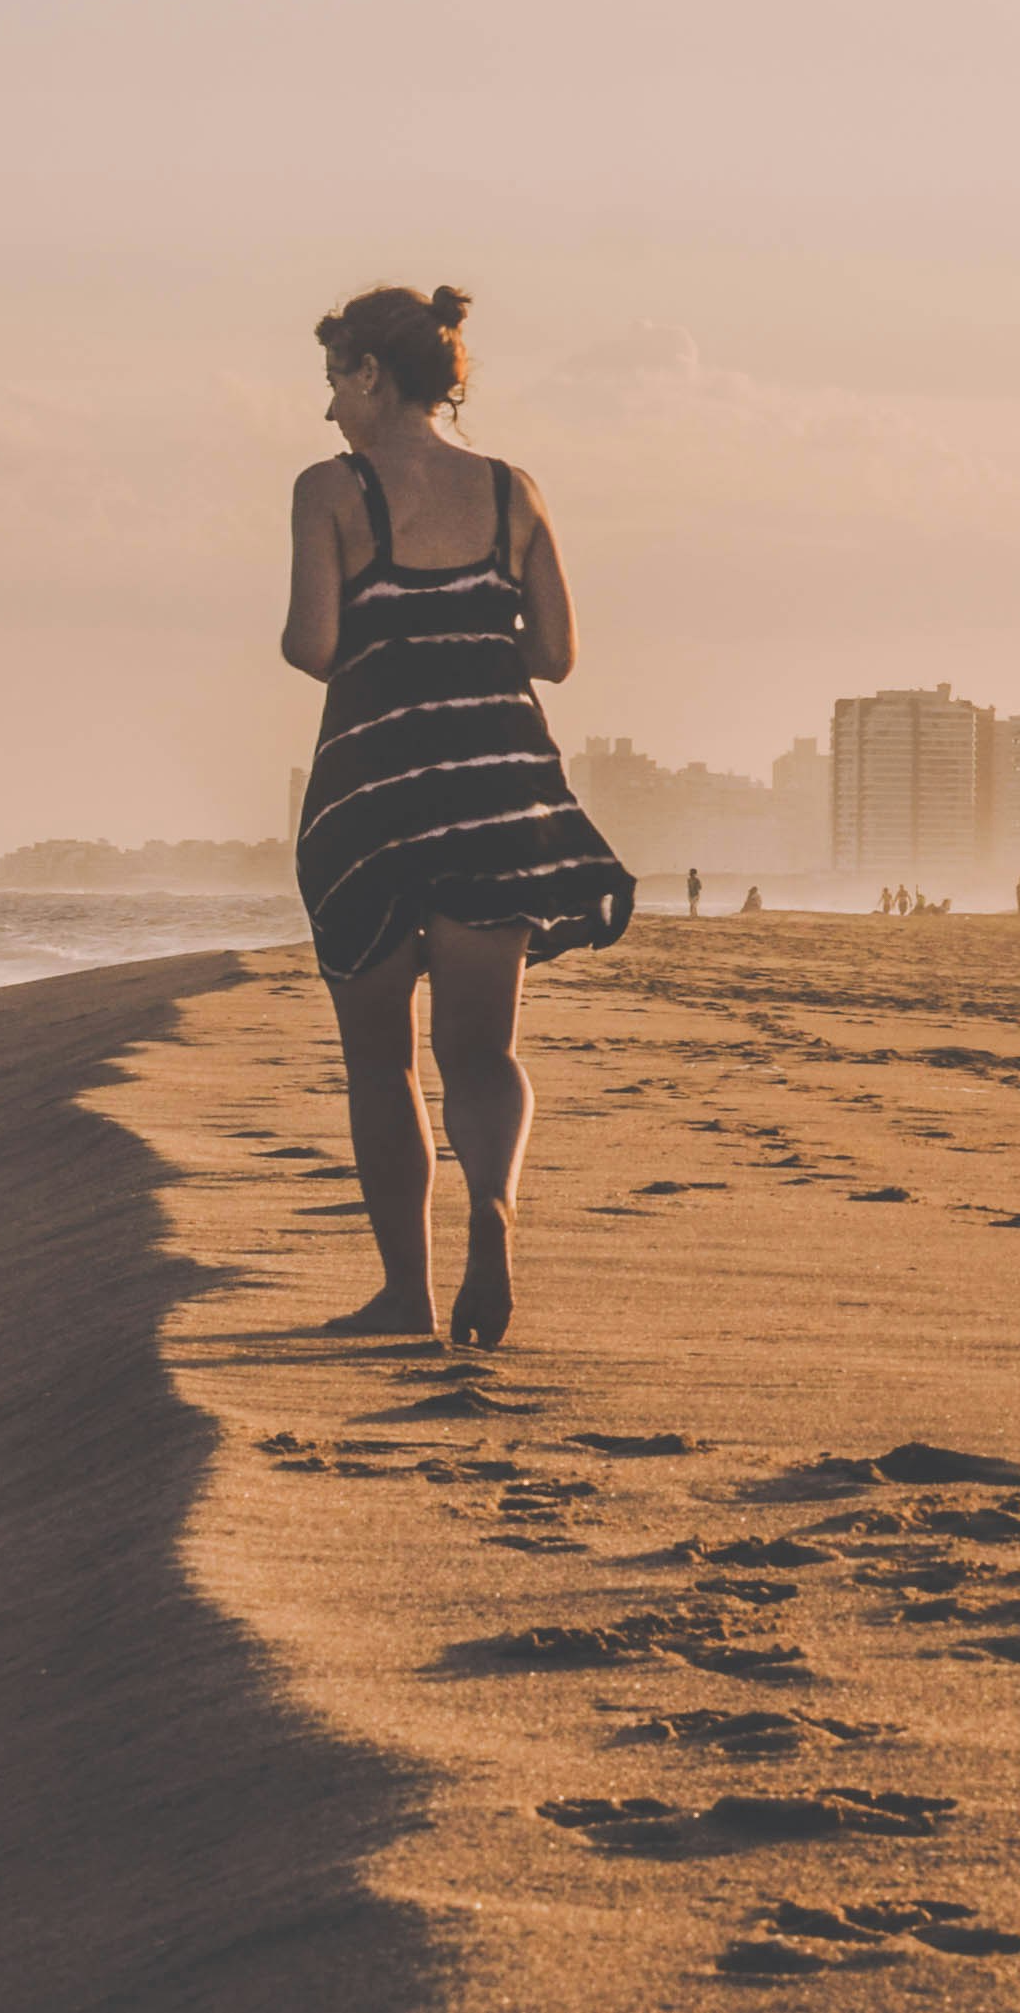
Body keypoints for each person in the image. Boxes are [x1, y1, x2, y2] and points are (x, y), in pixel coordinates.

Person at [281, 284, 632, 1349]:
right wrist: (470, 641)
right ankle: (495, 1204)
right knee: (480, 1052)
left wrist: (396, 636)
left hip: (376, 796)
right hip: (494, 787)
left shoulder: (331, 489)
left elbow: (312, 644)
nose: (329, 406)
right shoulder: (511, 492)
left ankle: (405, 1297)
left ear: (372, 377)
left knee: (382, 1061)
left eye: (335, 380)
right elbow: (558, 656)